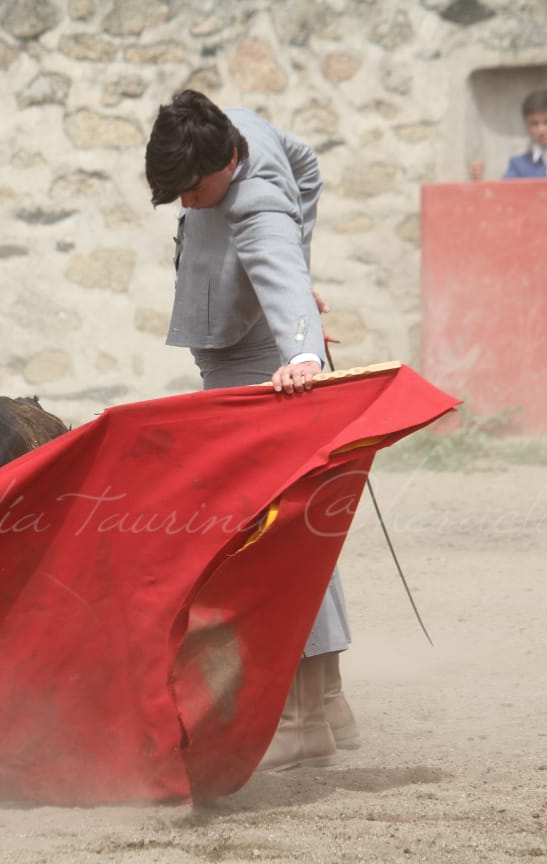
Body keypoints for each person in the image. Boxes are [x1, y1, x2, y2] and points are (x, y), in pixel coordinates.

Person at [144, 90, 359, 771]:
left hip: (259, 363)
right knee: (297, 525)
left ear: (225, 165)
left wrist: (300, 352)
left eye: (192, 191)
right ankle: (327, 705)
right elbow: (310, 166)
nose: (185, 204)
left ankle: (299, 720)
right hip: (257, 339)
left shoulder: (255, 198)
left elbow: (273, 241)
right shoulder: (230, 123)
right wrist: (301, 268)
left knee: (267, 534)